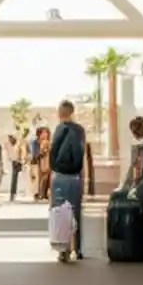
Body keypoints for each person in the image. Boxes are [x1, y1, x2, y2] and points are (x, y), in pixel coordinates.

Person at [48, 100, 87, 262]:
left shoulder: (58, 130)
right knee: (75, 212)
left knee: (59, 212)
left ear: (60, 113)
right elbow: (82, 155)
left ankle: (63, 249)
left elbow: (52, 155)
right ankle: (77, 248)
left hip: (59, 176)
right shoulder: (79, 131)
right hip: (74, 176)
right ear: (72, 112)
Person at [34, 127, 52, 201]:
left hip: (47, 162)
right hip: (38, 163)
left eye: (46, 133)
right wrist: (42, 152)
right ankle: (39, 194)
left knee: (47, 178)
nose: (45, 135)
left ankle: (44, 194)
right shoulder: (36, 142)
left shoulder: (48, 142)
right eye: (43, 133)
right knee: (41, 179)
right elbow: (35, 154)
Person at [8, 133, 26, 202]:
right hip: (15, 163)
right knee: (14, 179)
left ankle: (24, 192)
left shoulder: (19, 144)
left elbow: (23, 153)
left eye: (11, 138)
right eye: (9, 139)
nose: (10, 140)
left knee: (21, 178)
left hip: (19, 162)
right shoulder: (12, 145)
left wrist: (22, 161)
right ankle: (13, 194)